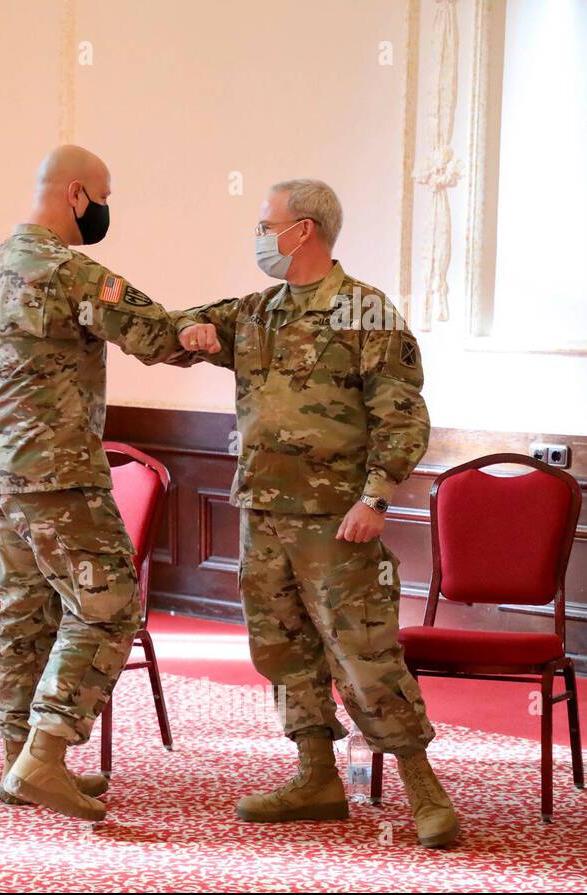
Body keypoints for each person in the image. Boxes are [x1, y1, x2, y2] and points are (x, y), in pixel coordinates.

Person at [176, 178, 459, 848]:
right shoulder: (256, 312)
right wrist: (188, 330)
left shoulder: (366, 312)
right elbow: (176, 328)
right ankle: (316, 776)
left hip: (336, 518)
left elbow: (402, 412)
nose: (258, 234)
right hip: (263, 512)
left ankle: (424, 788)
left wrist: (376, 496)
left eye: (264, 222)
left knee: (363, 650)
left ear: (302, 230)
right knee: (282, 647)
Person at [0, 145, 192, 821]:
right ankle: (46, 755)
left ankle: (19, 760)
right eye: (105, 196)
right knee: (110, 606)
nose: (106, 210)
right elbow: (156, 335)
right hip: (57, 475)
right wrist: (221, 332)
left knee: (27, 607)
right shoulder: (73, 272)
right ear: (78, 194)